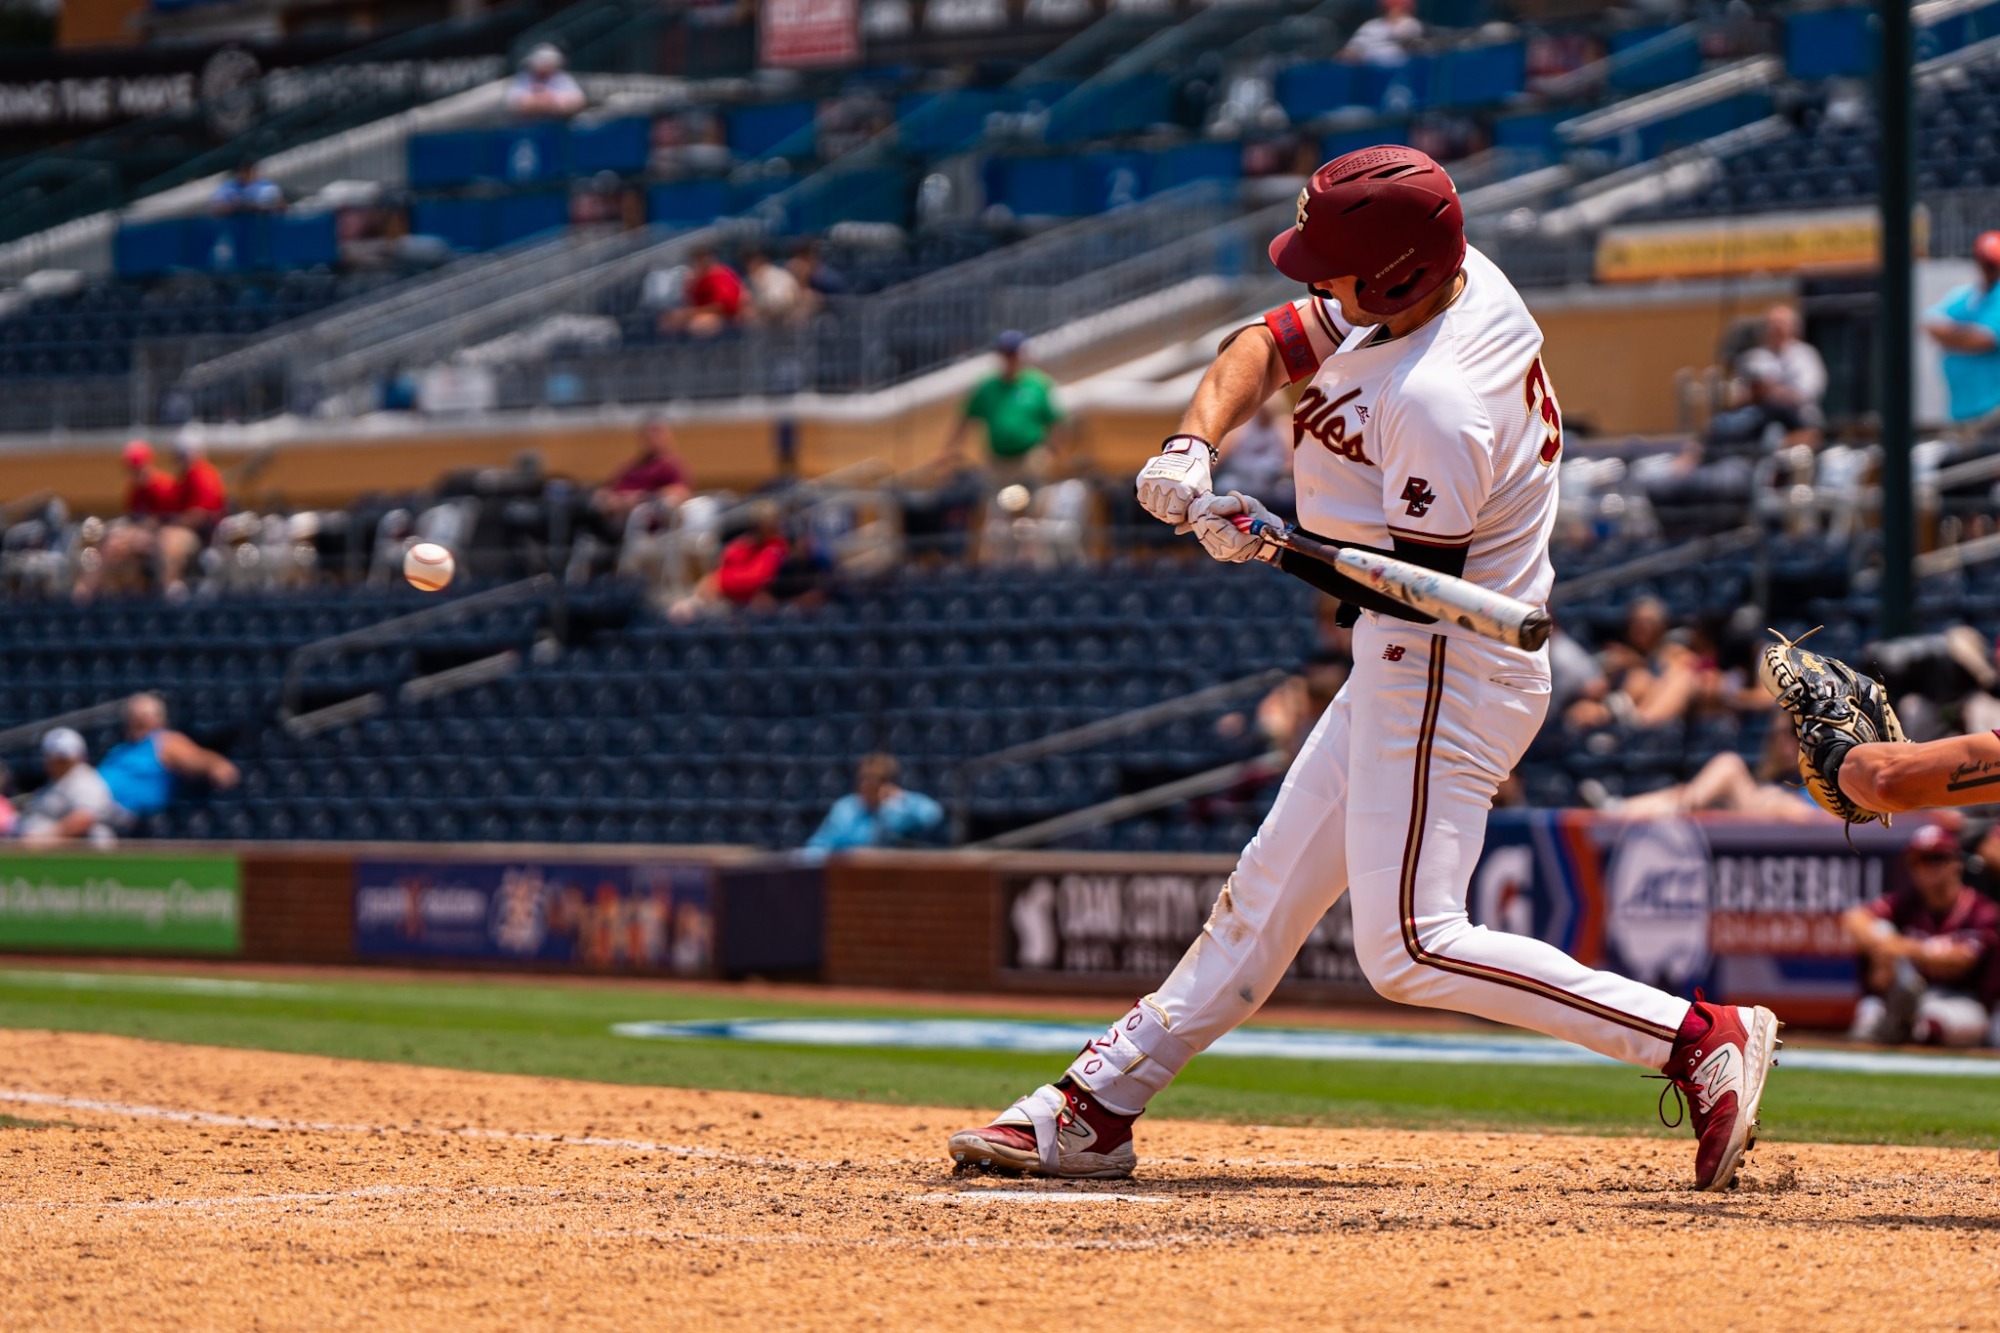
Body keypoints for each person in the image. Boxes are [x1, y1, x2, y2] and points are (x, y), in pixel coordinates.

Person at [950, 146, 1779, 1192]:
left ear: (1394, 272)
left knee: (1411, 947)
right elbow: (1264, 341)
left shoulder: (1439, 398)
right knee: (1261, 894)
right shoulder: (1423, 285)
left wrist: (1270, 542)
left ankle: (1692, 1034)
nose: (1308, 282)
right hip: (1408, 657)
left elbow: (1410, 588)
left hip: (1448, 659)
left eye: (1328, 267)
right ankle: (1094, 1108)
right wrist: (1191, 446)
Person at [1840, 825, 1997, 1047]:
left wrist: (1903, 947)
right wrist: (1882, 949)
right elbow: (1853, 918)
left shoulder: (1980, 908)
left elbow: (1961, 961)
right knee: (1879, 928)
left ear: (1957, 863)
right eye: (1919, 860)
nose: (1927, 867)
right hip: (1907, 995)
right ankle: (1885, 1017)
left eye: (1936, 858)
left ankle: (1905, 1029)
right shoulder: (1906, 903)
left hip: (1960, 1000)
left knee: (1959, 1024)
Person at [1591, 718, 1831, 823]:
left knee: (1729, 766)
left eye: (1792, 736)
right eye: (1781, 736)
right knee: (1690, 793)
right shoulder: (1781, 775)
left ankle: (1622, 811)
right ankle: (1617, 810)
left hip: (1779, 823)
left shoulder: (1822, 776)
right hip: (1752, 821)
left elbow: (1821, 818)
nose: (1785, 744)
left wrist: (1780, 803)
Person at [939, 331, 1067, 477]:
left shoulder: (1038, 384)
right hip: (997, 462)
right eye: (1004, 354)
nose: (1008, 359)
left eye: (1012, 354)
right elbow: (965, 417)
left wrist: (1049, 451)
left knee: (1031, 498)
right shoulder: (987, 387)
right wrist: (949, 449)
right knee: (999, 499)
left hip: (1030, 459)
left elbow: (1059, 420)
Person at [97, 693, 239, 820]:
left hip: (119, 812)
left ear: (160, 719)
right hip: (97, 800)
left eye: (143, 716)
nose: (137, 721)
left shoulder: (164, 741)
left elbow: (199, 759)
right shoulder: (122, 748)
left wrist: (215, 764)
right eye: (133, 716)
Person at [1924, 230, 2000, 424]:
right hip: (1963, 411)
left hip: (1993, 412)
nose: (1992, 270)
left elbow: (1984, 339)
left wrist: (1951, 336)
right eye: (1988, 263)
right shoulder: (1970, 295)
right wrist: (1966, 336)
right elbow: (1931, 323)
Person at [804, 753, 945, 851]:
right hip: (851, 876)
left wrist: (898, 802)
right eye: (862, 779)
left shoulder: (903, 804)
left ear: (888, 783)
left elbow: (933, 815)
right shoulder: (846, 808)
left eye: (872, 780)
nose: (865, 785)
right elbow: (818, 846)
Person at [1731, 305, 1827, 437]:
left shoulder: (1806, 355)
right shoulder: (1752, 357)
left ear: (1794, 327)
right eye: (1772, 324)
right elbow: (1742, 393)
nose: (1777, 328)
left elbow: (1807, 392)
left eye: (1781, 323)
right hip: (1759, 421)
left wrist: (1770, 391)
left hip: (1799, 420)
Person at [16, 729, 120, 846]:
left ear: (79, 756)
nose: (59, 763)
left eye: (64, 759)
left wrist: (43, 839)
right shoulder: (52, 783)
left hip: (79, 850)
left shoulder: (85, 779)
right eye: (56, 758)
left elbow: (84, 818)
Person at [593, 417, 693, 530]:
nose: (653, 436)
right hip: (609, 514)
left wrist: (638, 498)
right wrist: (606, 498)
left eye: (657, 431)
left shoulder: (670, 465)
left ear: (668, 436)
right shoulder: (631, 466)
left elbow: (680, 492)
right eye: (649, 432)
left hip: (637, 522)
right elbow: (608, 488)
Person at [659, 248, 744, 338]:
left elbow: (721, 308)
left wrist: (687, 314)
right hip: (704, 313)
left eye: (702, 260)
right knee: (667, 322)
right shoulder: (697, 278)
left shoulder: (720, 276)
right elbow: (691, 302)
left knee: (697, 325)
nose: (699, 264)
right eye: (696, 261)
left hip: (729, 317)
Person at [504, 44, 586, 119]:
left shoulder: (562, 78)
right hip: (528, 125)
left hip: (557, 123)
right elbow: (513, 102)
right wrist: (536, 101)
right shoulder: (525, 78)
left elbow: (577, 101)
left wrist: (551, 99)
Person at [1341, 0, 1423, 67]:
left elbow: (1418, 49)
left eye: (1400, 6)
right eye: (1392, 6)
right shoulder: (1371, 26)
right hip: (1371, 74)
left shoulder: (1414, 25)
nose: (1395, 10)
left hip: (1403, 75)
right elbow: (1351, 50)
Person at [742, 249, 806, 327]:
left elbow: (776, 300)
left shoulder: (764, 273)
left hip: (779, 313)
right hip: (783, 314)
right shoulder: (781, 272)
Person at [209, 161, 283, 216]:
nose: (247, 174)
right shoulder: (229, 187)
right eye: (244, 171)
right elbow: (217, 210)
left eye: (249, 170)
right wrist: (239, 205)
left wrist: (265, 205)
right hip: (237, 225)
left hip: (262, 224)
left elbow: (281, 205)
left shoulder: (265, 185)